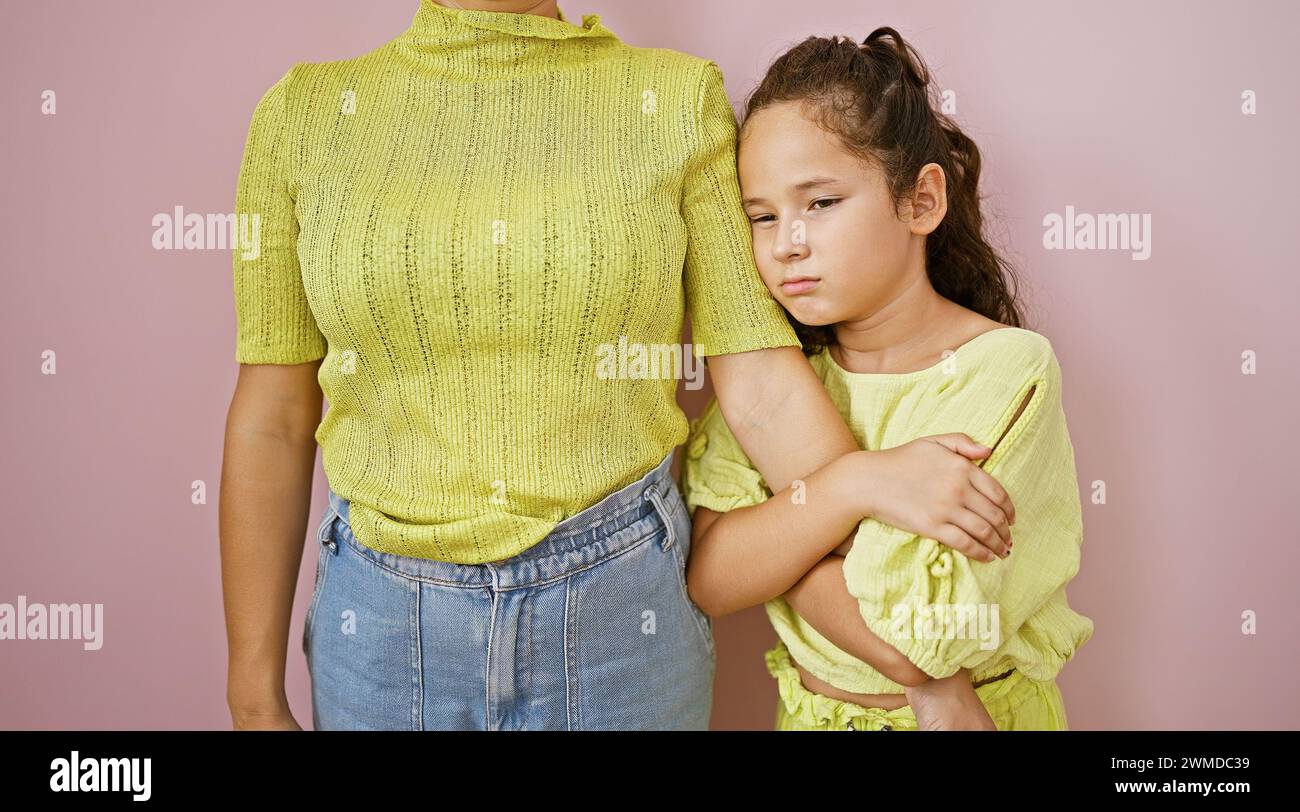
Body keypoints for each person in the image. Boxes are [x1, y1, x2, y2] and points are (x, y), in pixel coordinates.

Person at [220, 1, 1016, 731]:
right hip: (381, 632)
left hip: (621, 623)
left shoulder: (673, 101)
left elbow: (761, 385)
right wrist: (253, 694)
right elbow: (273, 418)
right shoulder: (302, 117)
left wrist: (915, 660)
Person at [681, 27, 1094, 730]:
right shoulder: (781, 380)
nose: (787, 243)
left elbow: (923, 634)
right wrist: (858, 483)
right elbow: (712, 578)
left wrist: (789, 534)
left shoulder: (1007, 371)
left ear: (920, 201)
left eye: (821, 203)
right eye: (762, 216)